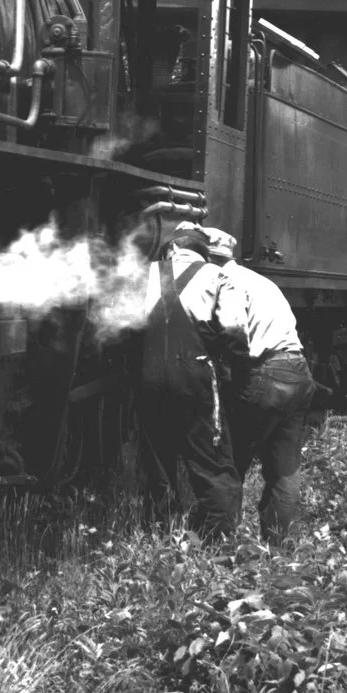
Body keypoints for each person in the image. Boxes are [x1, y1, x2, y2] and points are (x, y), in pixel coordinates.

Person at [179, 226, 316, 544]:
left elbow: (234, 332)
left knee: (225, 462)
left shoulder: (222, 282)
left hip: (264, 373)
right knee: (284, 469)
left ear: (208, 258)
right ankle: (281, 546)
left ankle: (211, 541)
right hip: (298, 371)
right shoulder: (262, 281)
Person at [134, 219, 236, 529]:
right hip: (195, 374)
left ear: (174, 247)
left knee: (157, 461)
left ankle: (162, 533)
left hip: (149, 375)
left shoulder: (144, 274)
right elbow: (234, 329)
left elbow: (120, 322)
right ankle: (217, 544)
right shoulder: (217, 276)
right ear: (202, 252)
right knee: (211, 461)